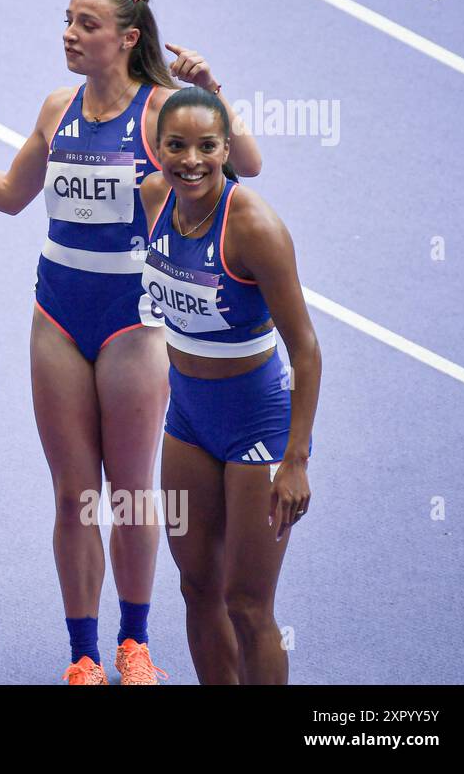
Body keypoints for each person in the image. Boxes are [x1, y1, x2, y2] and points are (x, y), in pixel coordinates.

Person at [0, 0, 262, 683]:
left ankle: (135, 643)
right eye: (67, 20)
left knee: (130, 488)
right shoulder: (56, 108)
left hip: (133, 322)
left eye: (86, 24)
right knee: (75, 492)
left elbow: (247, 166)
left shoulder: (163, 109)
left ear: (129, 39)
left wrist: (215, 90)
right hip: (57, 315)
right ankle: (83, 654)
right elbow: (14, 195)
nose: (69, 34)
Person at [139, 86, 319, 684]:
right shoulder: (153, 196)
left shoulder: (254, 227)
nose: (191, 160)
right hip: (188, 419)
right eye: (177, 145)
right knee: (197, 588)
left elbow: (307, 350)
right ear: (157, 147)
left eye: (207, 147)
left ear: (226, 150)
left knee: (247, 605)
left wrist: (295, 459)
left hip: (258, 427)